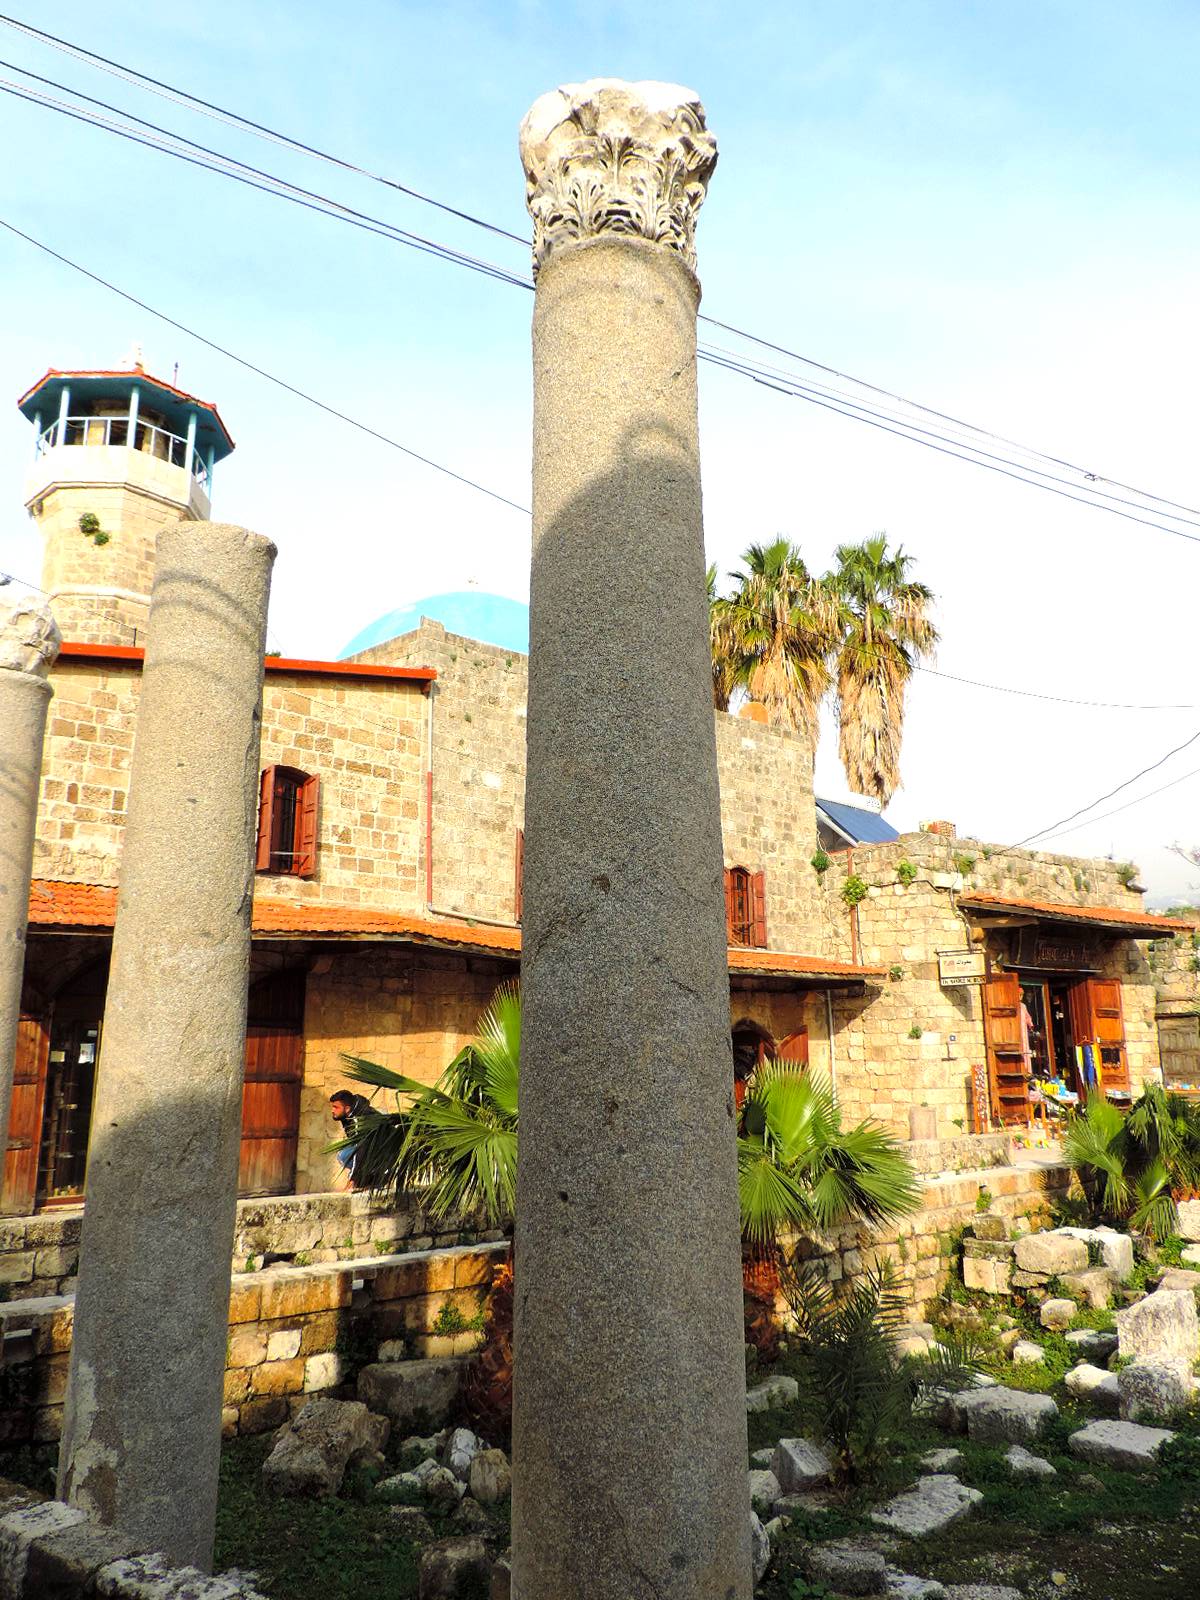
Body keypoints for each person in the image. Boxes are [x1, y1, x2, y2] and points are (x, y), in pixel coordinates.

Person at [329, 1088, 372, 1188]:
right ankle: (366, 1177)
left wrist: (353, 1179)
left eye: (336, 1107)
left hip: (378, 1152)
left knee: (344, 1156)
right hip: (368, 1149)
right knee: (344, 1154)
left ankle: (372, 1175)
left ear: (347, 1109)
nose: (332, 1110)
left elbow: (360, 1149)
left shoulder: (359, 1121)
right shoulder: (347, 1116)